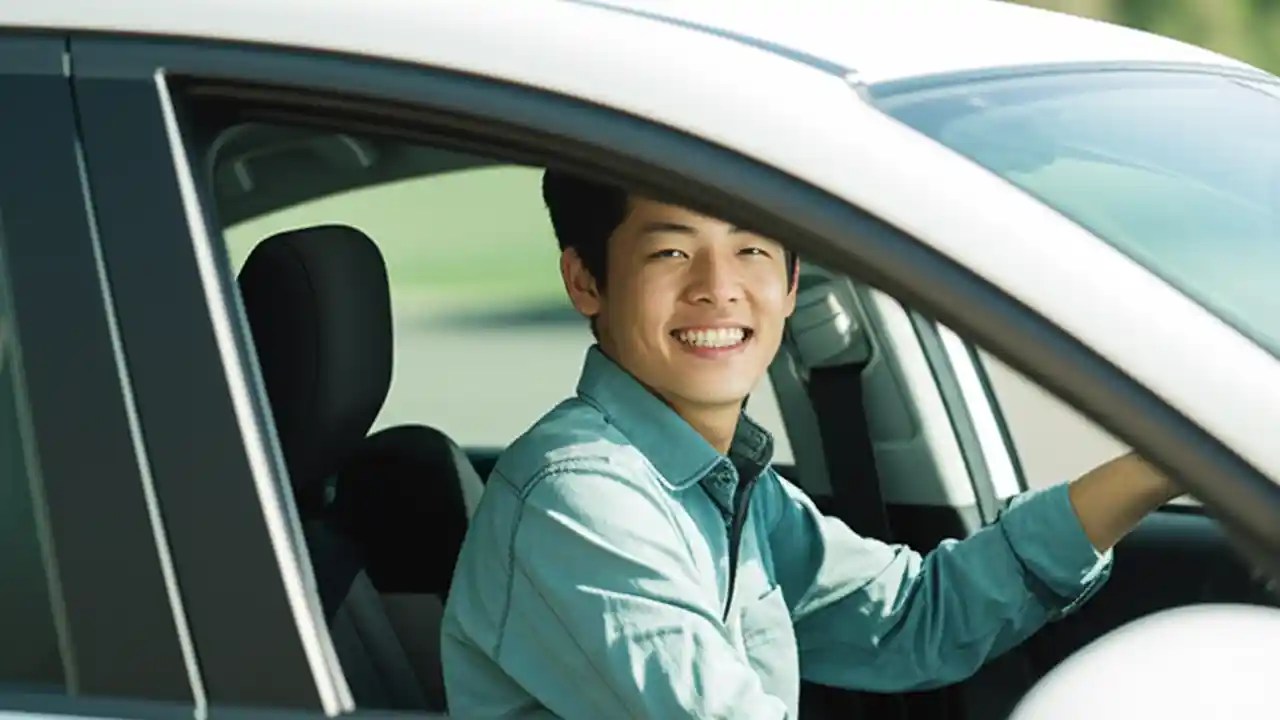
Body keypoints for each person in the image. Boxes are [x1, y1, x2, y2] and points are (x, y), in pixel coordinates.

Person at [439, 170, 1183, 719]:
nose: (718, 288)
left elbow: (915, 618)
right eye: (671, 253)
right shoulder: (581, 497)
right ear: (585, 280)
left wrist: (1159, 467)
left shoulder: (726, 484)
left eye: (752, 251)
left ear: (793, 284)